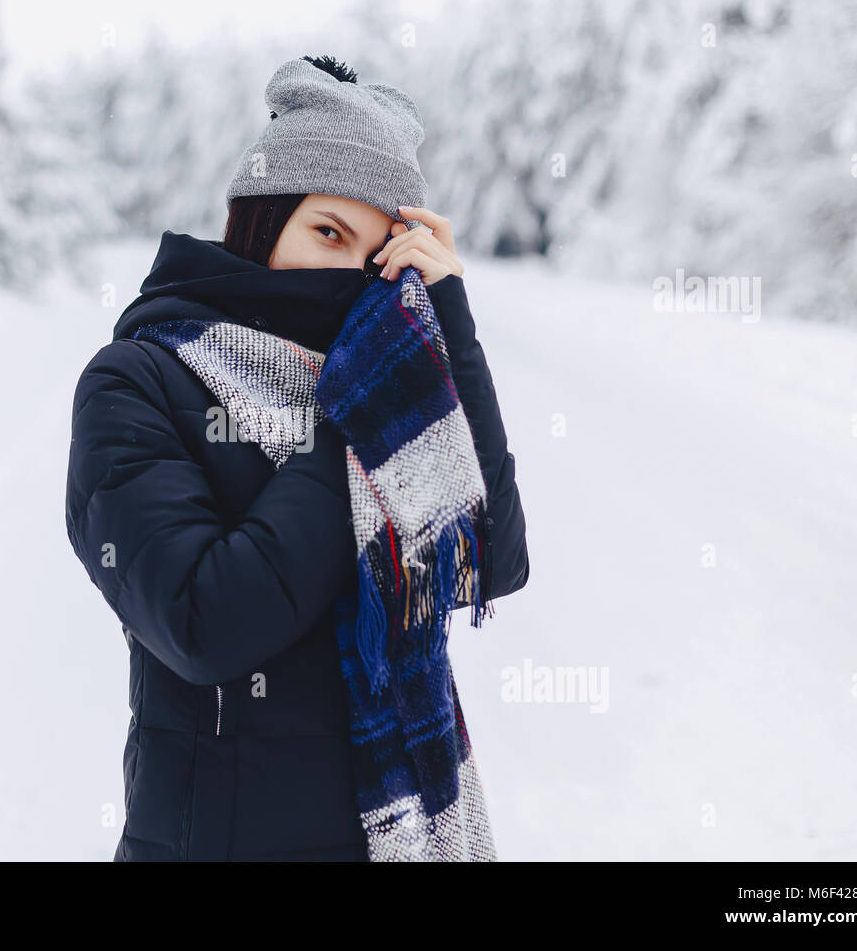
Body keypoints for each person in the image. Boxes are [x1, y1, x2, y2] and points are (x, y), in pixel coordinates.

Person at [65, 55, 529, 861]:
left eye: (376, 250)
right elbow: (201, 622)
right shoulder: (138, 379)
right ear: (261, 221)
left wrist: (446, 327)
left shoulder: (388, 381)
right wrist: (371, 410)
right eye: (326, 232)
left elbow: (490, 558)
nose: (350, 273)